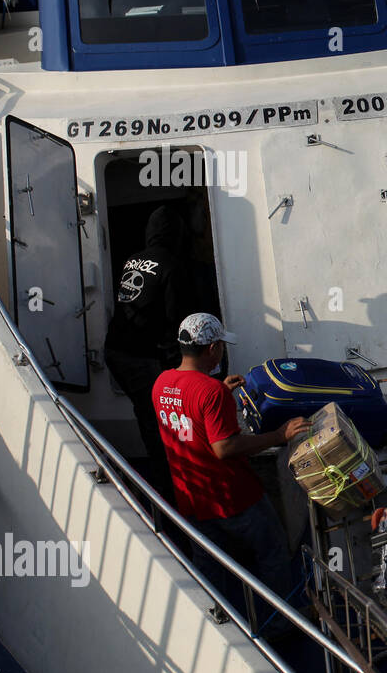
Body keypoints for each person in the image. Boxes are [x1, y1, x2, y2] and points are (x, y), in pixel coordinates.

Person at [151, 312, 307, 624]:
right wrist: (279, 435)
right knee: (273, 552)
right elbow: (225, 448)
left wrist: (219, 391)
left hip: (191, 498)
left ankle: (214, 620)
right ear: (212, 349)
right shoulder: (211, 392)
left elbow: (188, 416)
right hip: (231, 497)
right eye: (221, 346)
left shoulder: (162, 383)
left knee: (208, 562)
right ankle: (281, 624)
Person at [104, 205, 195, 501]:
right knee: (155, 419)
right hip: (140, 356)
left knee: (146, 412)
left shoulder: (133, 259)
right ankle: (166, 488)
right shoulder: (172, 265)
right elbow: (175, 318)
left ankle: (163, 479)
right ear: (176, 234)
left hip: (116, 350)